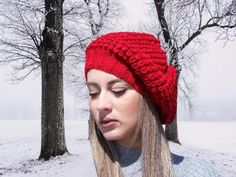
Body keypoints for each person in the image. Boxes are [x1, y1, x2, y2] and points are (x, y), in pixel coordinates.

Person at [84, 32, 218, 177]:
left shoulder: (198, 173)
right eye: (93, 93)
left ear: (149, 99)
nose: (101, 105)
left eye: (118, 90)